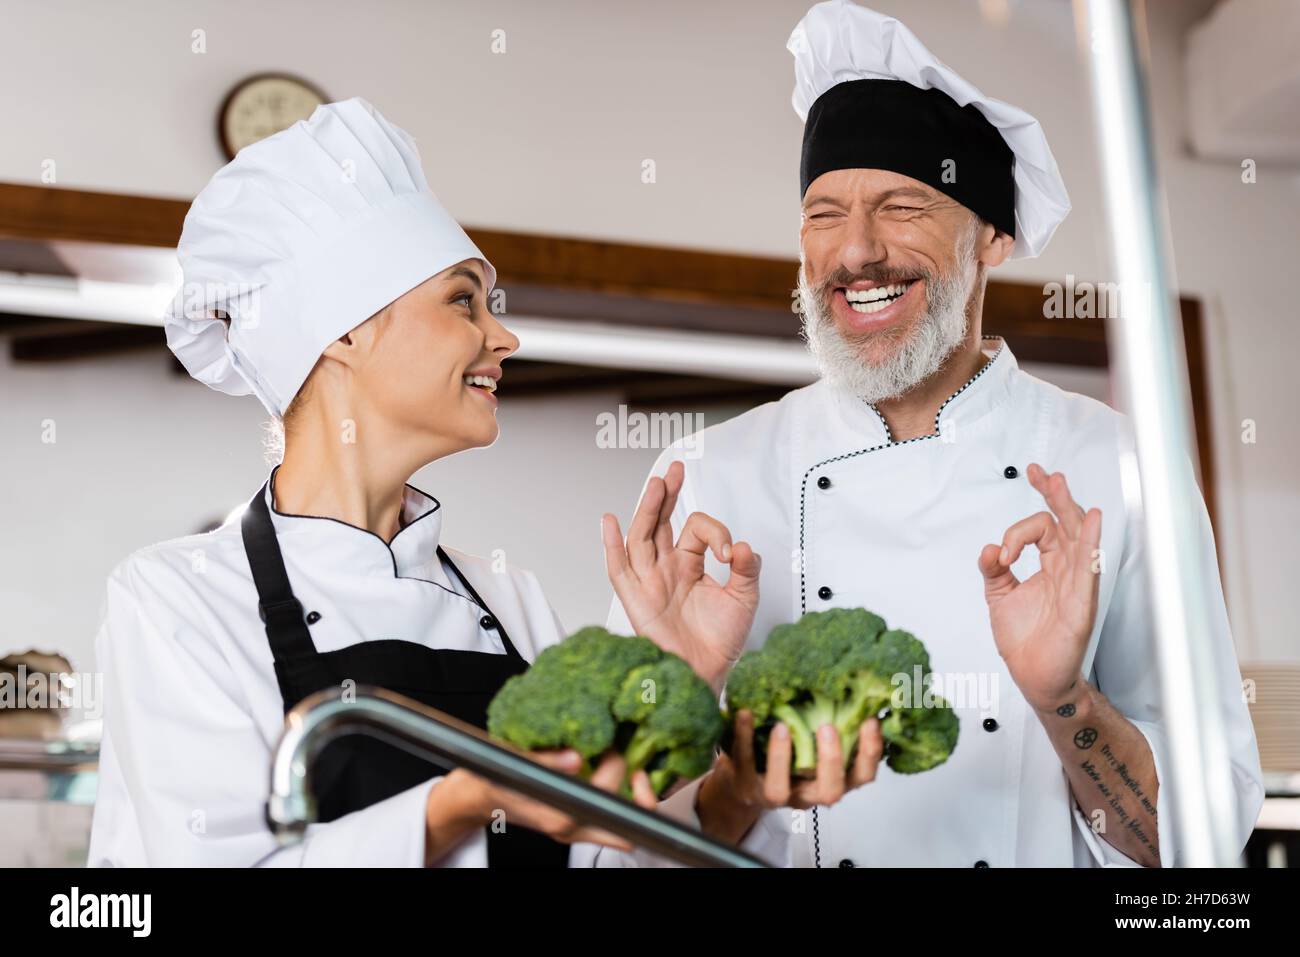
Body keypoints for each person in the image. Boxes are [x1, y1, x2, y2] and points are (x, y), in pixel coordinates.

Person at [86, 97, 879, 868]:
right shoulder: (178, 603)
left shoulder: (507, 602)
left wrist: (716, 759)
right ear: (345, 332)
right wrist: (465, 796)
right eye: (464, 300)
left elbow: (592, 858)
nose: (504, 335)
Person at [608, 0, 1264, 868]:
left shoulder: (1115, 466)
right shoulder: (707, 474)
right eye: (823, 213)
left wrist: (1063, 697)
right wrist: (700, 721)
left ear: (990, 234)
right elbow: (607, 853)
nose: (855, 252)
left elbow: (1198, 849)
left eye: (902, 205)